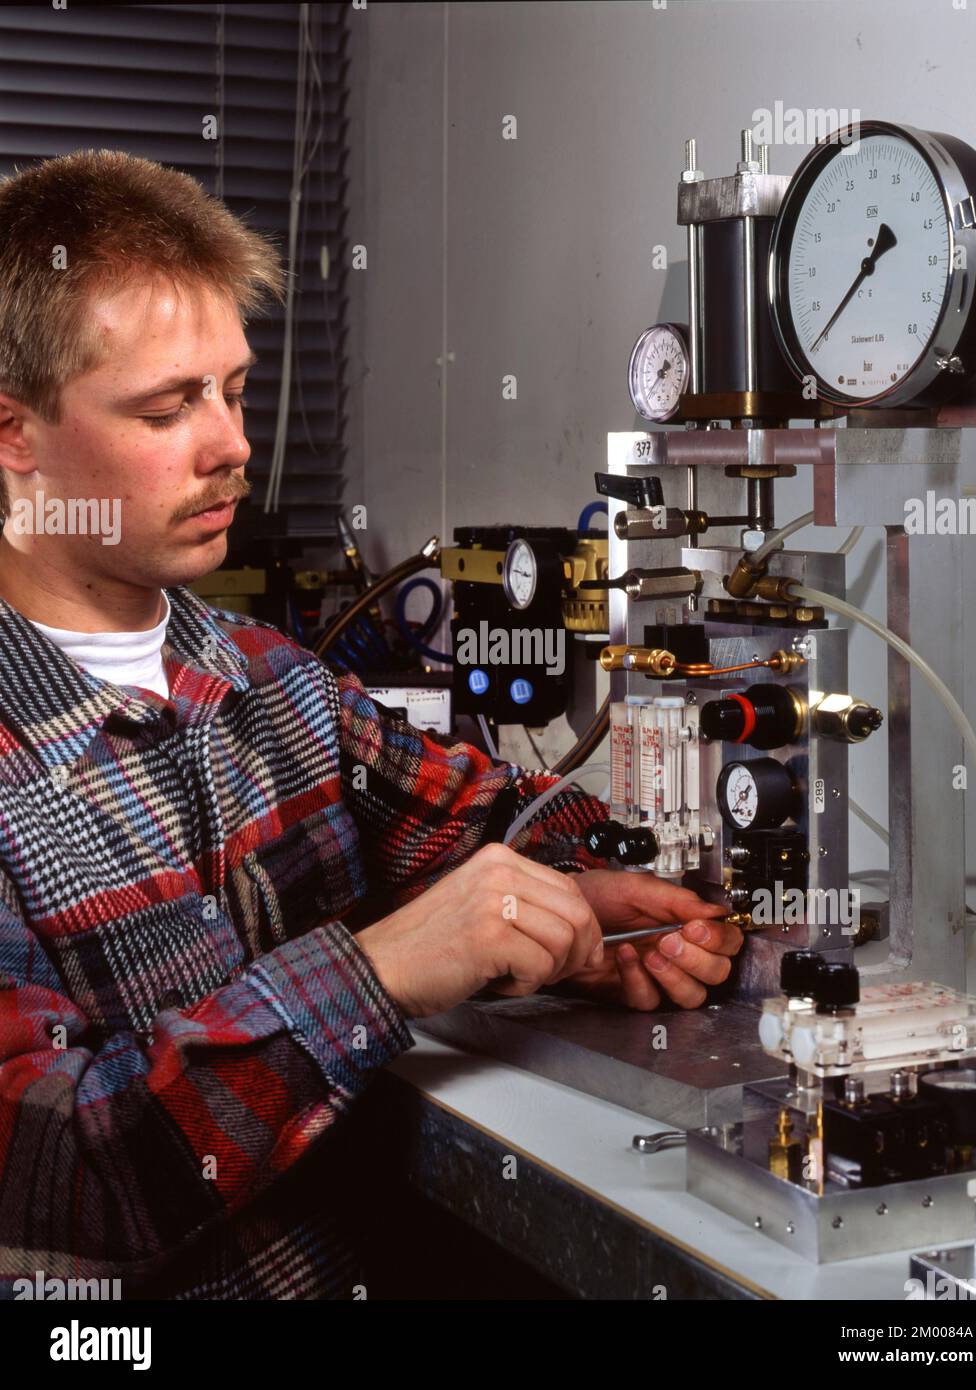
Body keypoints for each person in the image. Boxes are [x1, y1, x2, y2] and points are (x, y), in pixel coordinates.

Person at [0, 150, 741, 1300]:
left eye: (234, 390)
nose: (233, 446)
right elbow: (68, 1179)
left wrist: (585, 895)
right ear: (16, 439)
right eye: (167, 407)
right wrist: (383, 970)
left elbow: (488, 809)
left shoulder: (272, 686)